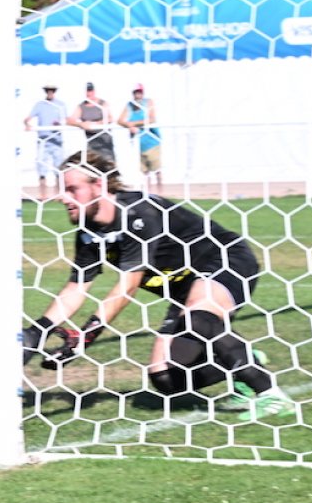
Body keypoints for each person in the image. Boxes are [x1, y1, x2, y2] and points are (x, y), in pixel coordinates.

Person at [22, 150, 295, 422]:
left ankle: (271, 394)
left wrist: (86, 336)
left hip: (224, 259)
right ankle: (240, 359)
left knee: (197, 318)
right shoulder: (89, 232)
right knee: (165, 378)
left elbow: (127, 288)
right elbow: (76, 289)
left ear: (99, 185)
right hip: (184, 287)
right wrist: (37, 333)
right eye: (62, 189)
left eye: (72, 189)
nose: (62, 197)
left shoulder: (138, 214)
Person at [24, 84, 68, 200]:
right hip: (43, 142)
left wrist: (59, 124)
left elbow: (66, 121)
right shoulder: (40, 105)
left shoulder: (60, 105)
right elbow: (27, 119)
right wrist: (27, 124)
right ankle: (42, 195)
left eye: (52, 90)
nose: (50, 92)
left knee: (59, 168)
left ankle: (59, 195)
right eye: (48, 90)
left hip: (56, 141)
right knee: (41, 168)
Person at [118, 83, 162, 193]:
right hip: (138, 143)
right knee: (144, 171)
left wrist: (133, 123)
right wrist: (129, 126)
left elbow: (152, 119)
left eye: (140, 92)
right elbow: (120, 120)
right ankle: (149, 194)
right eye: (136, 92)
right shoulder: (130, 105)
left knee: (157, 170)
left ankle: (161, 193)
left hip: (152, 142)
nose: (138, 94)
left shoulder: (148, 103)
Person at [68, 81, 114, 161]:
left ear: (94, 91)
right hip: (91, 142)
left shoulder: (103, 103)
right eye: (88, 91)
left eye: (91, 90)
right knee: (93, 165)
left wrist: (96, 124)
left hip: (104, 141)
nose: (89, 93)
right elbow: (70, 120)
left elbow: (110, 118)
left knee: (108, 164)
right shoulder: (81, 106)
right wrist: (81, 124)